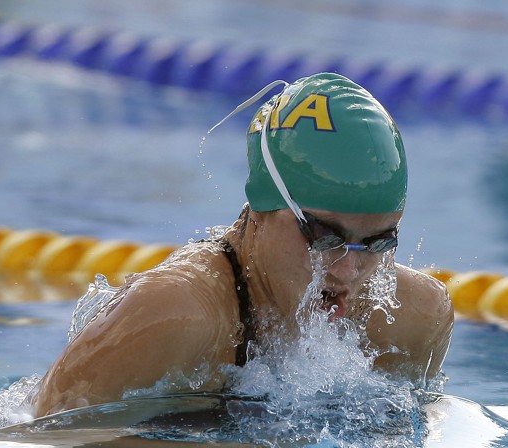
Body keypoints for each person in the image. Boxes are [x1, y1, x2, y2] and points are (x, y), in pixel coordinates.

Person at [30, 72, 454, 417]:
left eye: (378, 243)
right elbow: (42, 441)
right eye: (324, 237)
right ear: (262, 207)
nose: (347, 270)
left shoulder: (413, 320)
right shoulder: (173, 315)